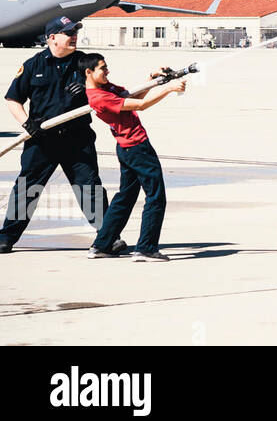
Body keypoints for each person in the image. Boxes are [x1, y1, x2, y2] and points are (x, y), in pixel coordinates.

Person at [0, 16, 117, 254]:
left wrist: (86, 91)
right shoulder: (33, 65)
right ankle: (6, 237)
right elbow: (13, 99)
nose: (73, 36)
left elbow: (105, 88)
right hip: (42, 140)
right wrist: (27, 124)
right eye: (67, 33)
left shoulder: (85, 62)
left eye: (75, 32)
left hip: (77, 138)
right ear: (52, 38)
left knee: (90, 188)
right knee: (27, 188)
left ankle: (108, 238)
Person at [79, 53, 185, 262]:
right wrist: (168, 89)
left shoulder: (105, 87)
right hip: (137, 148)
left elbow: (132, 97)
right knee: (155, 196)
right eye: (102, 68)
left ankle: (102, 244)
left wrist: (153, 80)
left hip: (127, 148)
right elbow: (140, 106)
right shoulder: (99, 97)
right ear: (88, 72)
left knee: (125, 197)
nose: (107, 71)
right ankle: (146, 248)